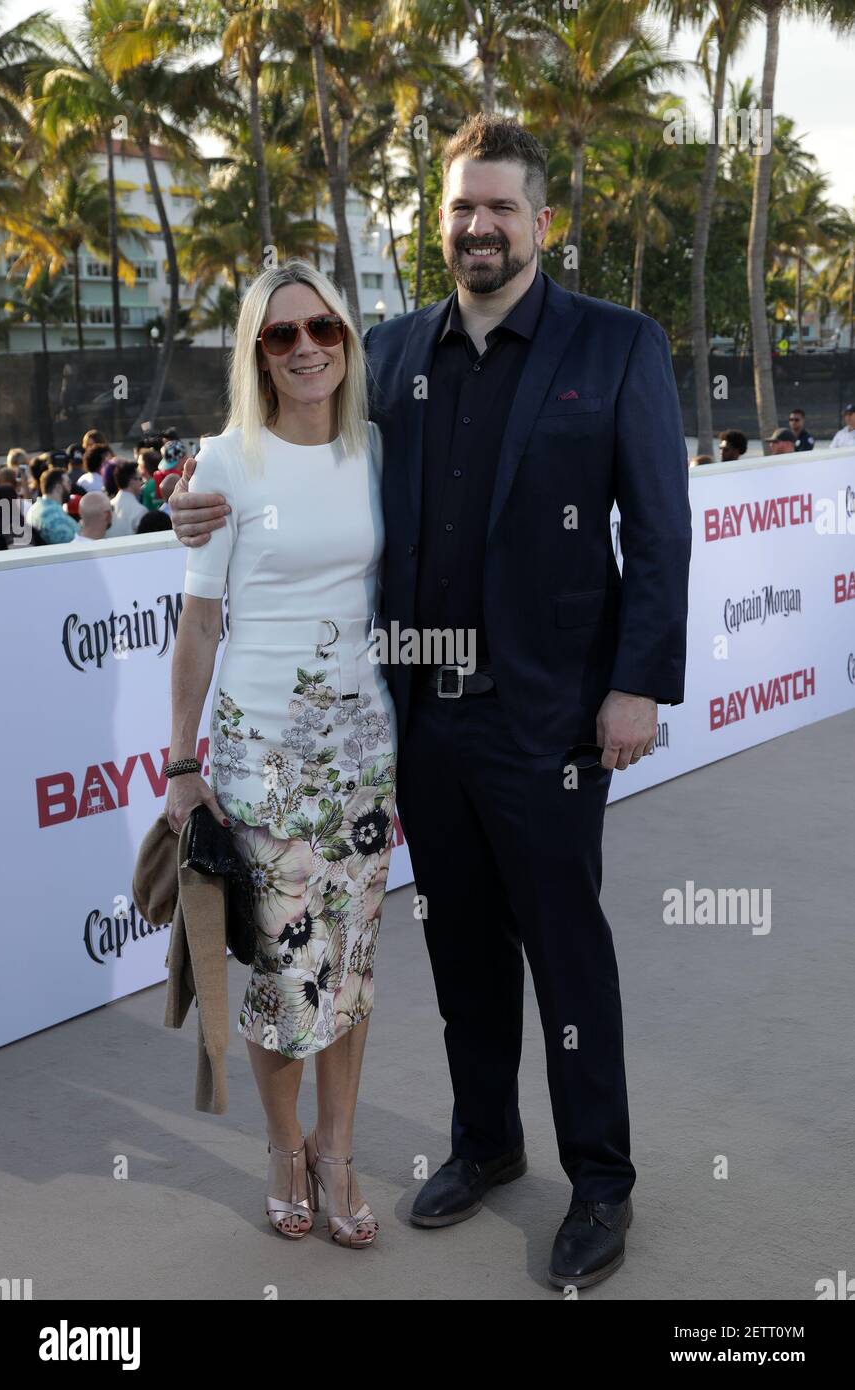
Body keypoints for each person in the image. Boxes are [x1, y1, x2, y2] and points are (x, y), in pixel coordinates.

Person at [169, 115, 691, 1289]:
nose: (480, 227)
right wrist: (194, 501)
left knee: (566, 953)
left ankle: (599, 1182)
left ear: (541, 223)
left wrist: (634, 685)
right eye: (462, 208)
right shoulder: (392, 352)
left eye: (502, 207)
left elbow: (658, 529)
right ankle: (486, 1143)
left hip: (552, 717)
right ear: (439, 222)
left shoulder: (617, 346)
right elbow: (290, 454)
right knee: (457, 947)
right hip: (424, 722)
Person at [166, 260, 396, 1250]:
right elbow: (198, 623)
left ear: (346, 340)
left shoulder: (377, 449)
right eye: (280, 335)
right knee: (279, 979)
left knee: (348, 971)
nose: (307, 349)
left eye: (324, 330)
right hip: (261, 764)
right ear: (256, 353)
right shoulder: (226, 463)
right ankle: (280, 1145)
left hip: (363, 758)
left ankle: (336, 1151)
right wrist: (182, 766)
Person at [27, 467, 79, 544]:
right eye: (68, 483)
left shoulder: (34, 508)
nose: (71, 486)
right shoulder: (54, 516)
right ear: (58, 487)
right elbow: (72, 546)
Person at [108, 461, 147, 536]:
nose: (141, 483)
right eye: (140, 479)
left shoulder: (108, 506)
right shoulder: (140, 510)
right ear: (131, 481)